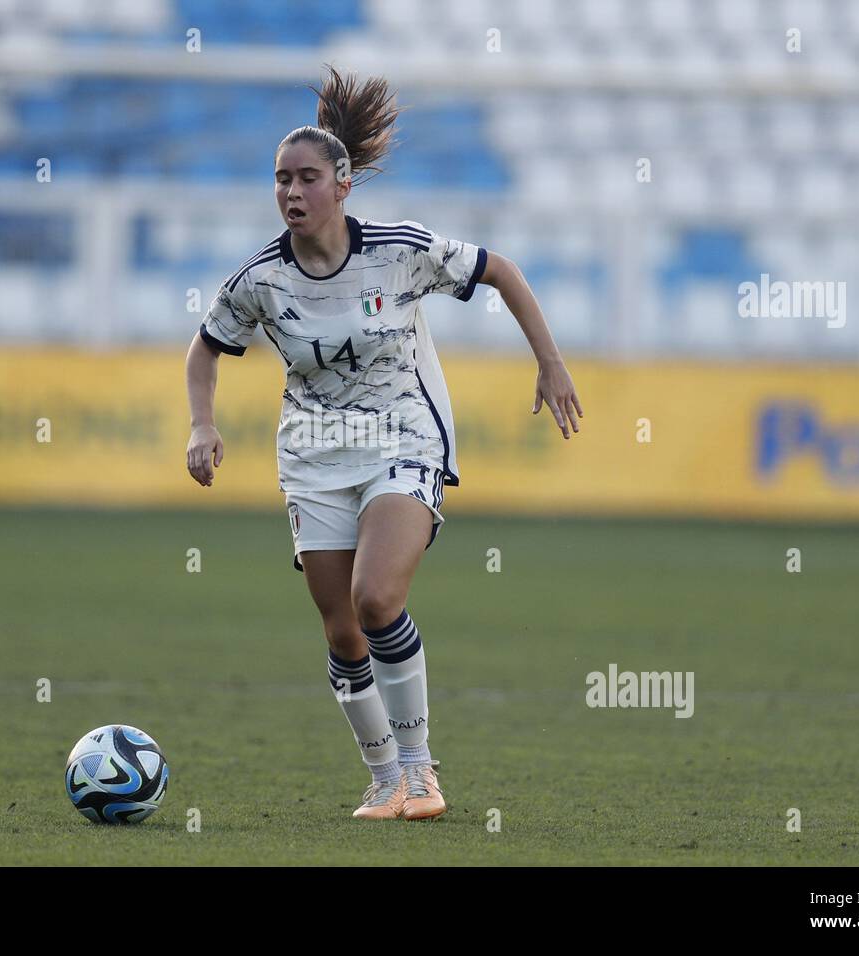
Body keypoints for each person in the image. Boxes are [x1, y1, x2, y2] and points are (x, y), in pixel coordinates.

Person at [184, 66, 582, 821]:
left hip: (403, 438)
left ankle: (422, 772)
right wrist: (203, 422)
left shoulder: (399, 249)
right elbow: (205, 348)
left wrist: (551, 362)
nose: (291, 192)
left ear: (342, 185)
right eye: (280, 180)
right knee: (340, 627)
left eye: (306, 178)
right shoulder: (261, 279)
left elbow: (501, 270)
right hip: (313, 456)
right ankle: (384, 778)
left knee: (375, 599)